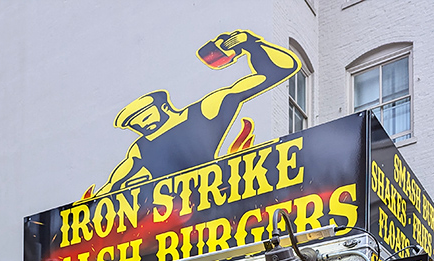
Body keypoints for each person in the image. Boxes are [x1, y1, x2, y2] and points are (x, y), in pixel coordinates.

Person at [91, 31, 300, 195]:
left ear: (164, 106)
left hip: (219, 198)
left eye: (145, 117)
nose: (141, 126)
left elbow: (281, 70)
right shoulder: (141, 148)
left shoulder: (204, 112)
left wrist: (251, 45)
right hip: (173, 221)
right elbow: (111, 186)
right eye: (134, 125)